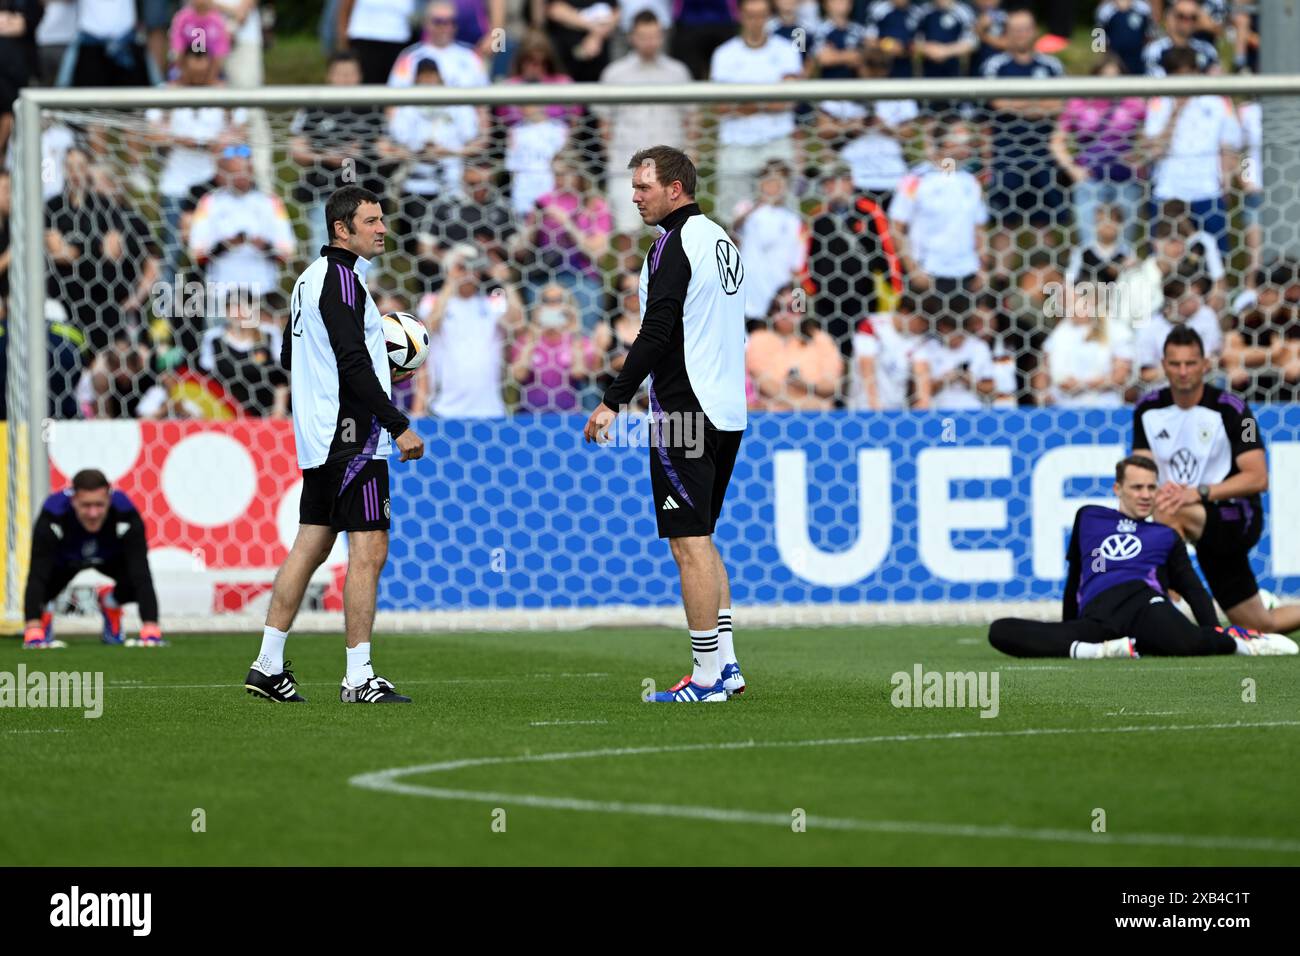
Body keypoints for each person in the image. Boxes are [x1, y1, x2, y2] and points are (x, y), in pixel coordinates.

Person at [244, 186, 425, 705]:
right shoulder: (344, 283)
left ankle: (267, 664)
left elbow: (288, 354)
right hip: (355, 437)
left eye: (382, 219)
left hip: (319, 437)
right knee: (370, 550)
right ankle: (358, 676)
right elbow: (352, 362)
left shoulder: (306, 281)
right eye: (371, 220)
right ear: (342, 228)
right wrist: (396, 423)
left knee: (312, 545)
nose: (382, 229)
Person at [582, 145, 748, 703]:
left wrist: (613, 399)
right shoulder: (721, 238)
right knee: (703, 537)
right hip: (727, 407)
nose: (634, 196)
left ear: (675, 188)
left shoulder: (672, 245)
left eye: (644, 186)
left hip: (684, 409)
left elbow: (656, 332)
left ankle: (704, 679)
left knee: (687, 544)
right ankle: (726, 667)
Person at [988, 456, 1296, 658]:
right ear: (1118, 488)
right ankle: (1099, 651)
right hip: (1099, 615)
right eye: (1137, 487)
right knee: (1000, 630)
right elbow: (1076, 577)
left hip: (1143, 603)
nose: (1146, 494)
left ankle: (1243, 642)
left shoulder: (1164, 535)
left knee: (1187, 643)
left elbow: (1192, 588)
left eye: (1151, 487)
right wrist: (1073, 625)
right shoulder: (1090, 518)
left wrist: (1214, 630)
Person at [1133, 325, 1300, 637]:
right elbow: (1142, 468)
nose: (1183, 372)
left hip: (1236, 515)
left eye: (1191, 363)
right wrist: (1162, 488)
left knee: (1168, 511)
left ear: (1205, 365)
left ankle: (1162, 611)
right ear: (1164, 364)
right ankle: (1164, 607)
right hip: (1188, 515)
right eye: (1175, 364)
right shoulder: (1146, 408)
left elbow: (1258, 477)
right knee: (1261, 625)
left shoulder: (1237, 410)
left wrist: (1199, 492)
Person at [22, 468, 164, 649]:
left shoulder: (126, 512)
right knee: (43, 587)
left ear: (109, 500)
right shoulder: (53, 513)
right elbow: (37, 573)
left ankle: (110, 602)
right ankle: (43, 618)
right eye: (86, 505)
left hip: (110, 558)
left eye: (99, 505)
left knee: (135, 579)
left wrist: (150, 628)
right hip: (66, 562)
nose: (93, 513)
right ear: (73, 500)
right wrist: (32, 630)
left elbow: (141, 572)